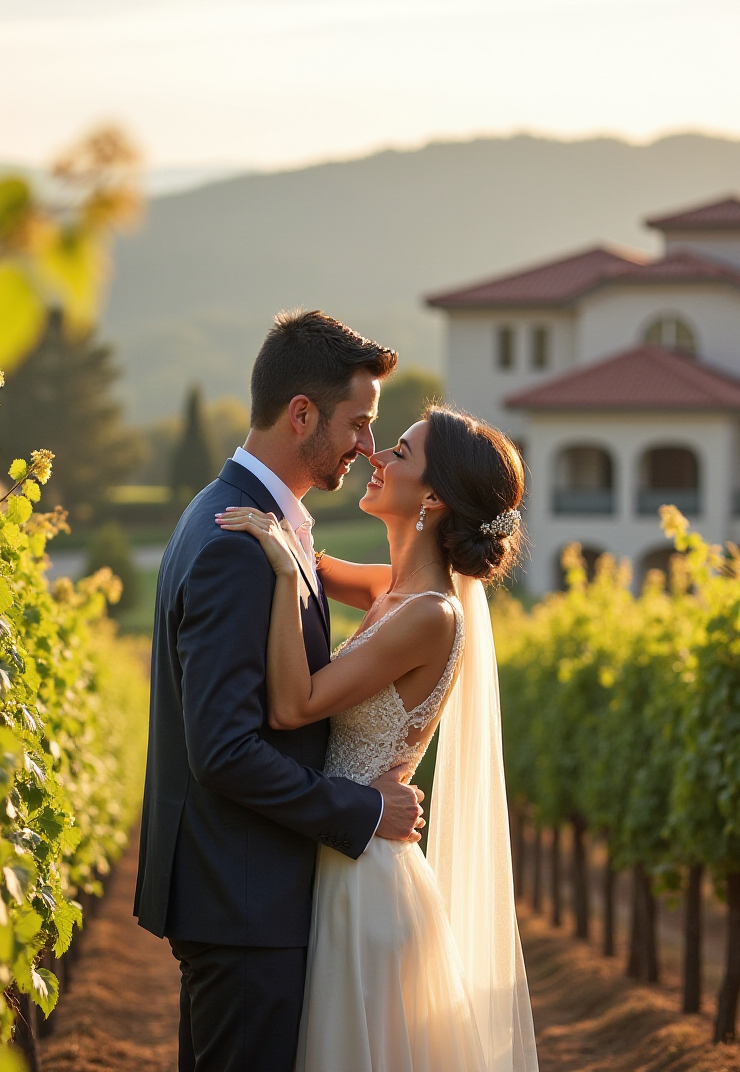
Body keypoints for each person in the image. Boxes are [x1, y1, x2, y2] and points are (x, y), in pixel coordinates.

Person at [134, 309, 425, 1072]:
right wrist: (364, 810)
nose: (367, 446)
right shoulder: (240, 542)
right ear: (302, 415)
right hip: (246, 902)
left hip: (241, 896)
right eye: (359, 423)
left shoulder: (246, 518)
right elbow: (225, 750)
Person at [217, 404, 540, 1072]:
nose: (377, 457)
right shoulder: (397, 590)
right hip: (345, 856)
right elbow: (315, 557)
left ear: (433, 497)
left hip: (366, 882)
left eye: (399, 451)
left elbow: (294, 704)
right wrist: (283, 514)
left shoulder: (430, 614)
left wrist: (281, 573)